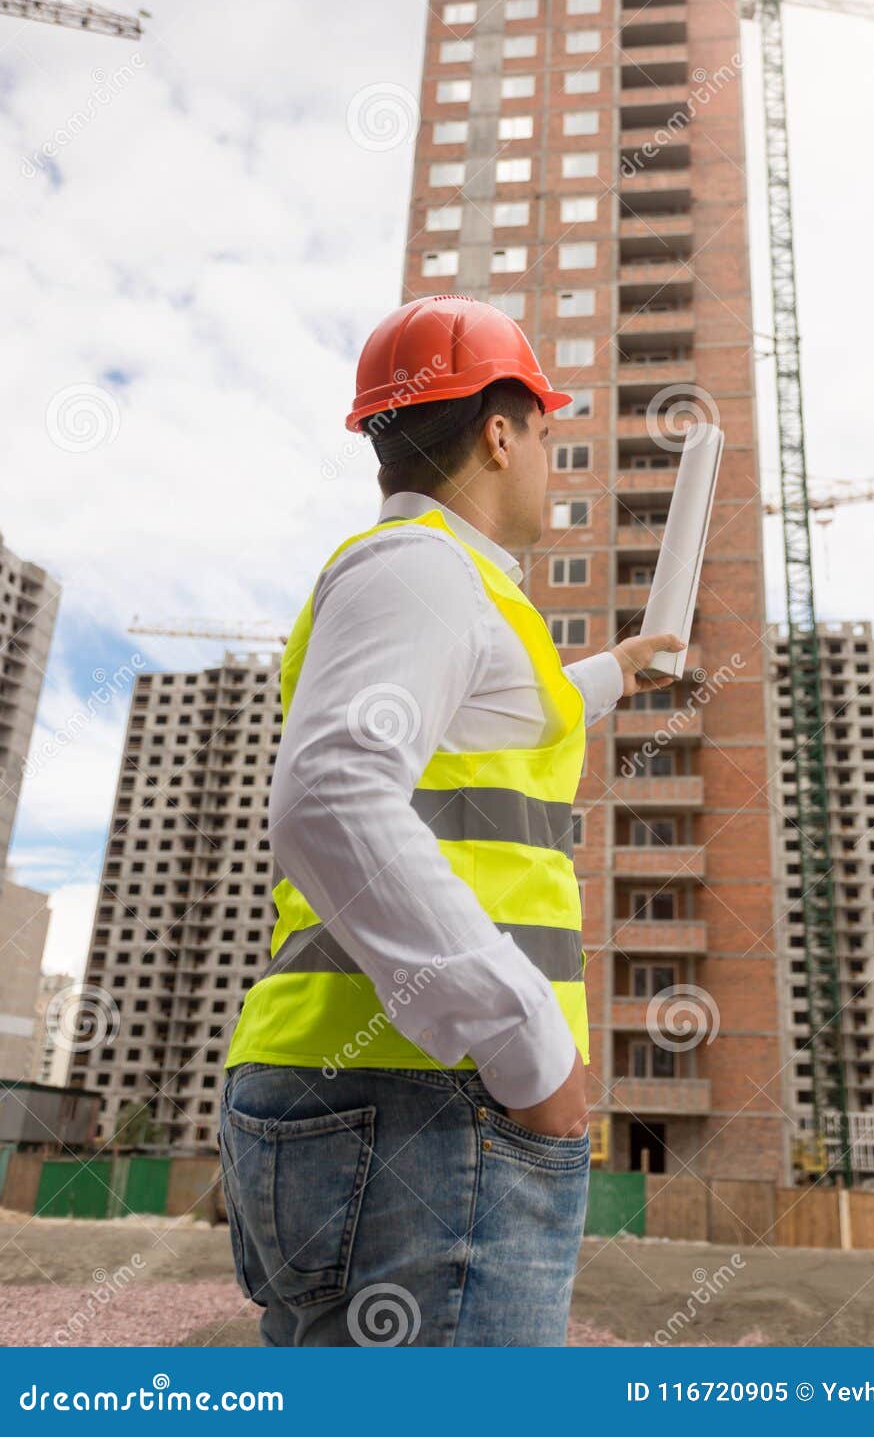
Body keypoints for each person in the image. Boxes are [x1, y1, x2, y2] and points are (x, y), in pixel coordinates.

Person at [219, 295, 682, 1347]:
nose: (549, 457)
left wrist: (622, 668)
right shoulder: (421, 570)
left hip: (380, 1092)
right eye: (545, 429)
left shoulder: (442, 583)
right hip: (428, 1100)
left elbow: (497, 716)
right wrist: (526, 1043)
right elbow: (331, 792)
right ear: (498, 429)